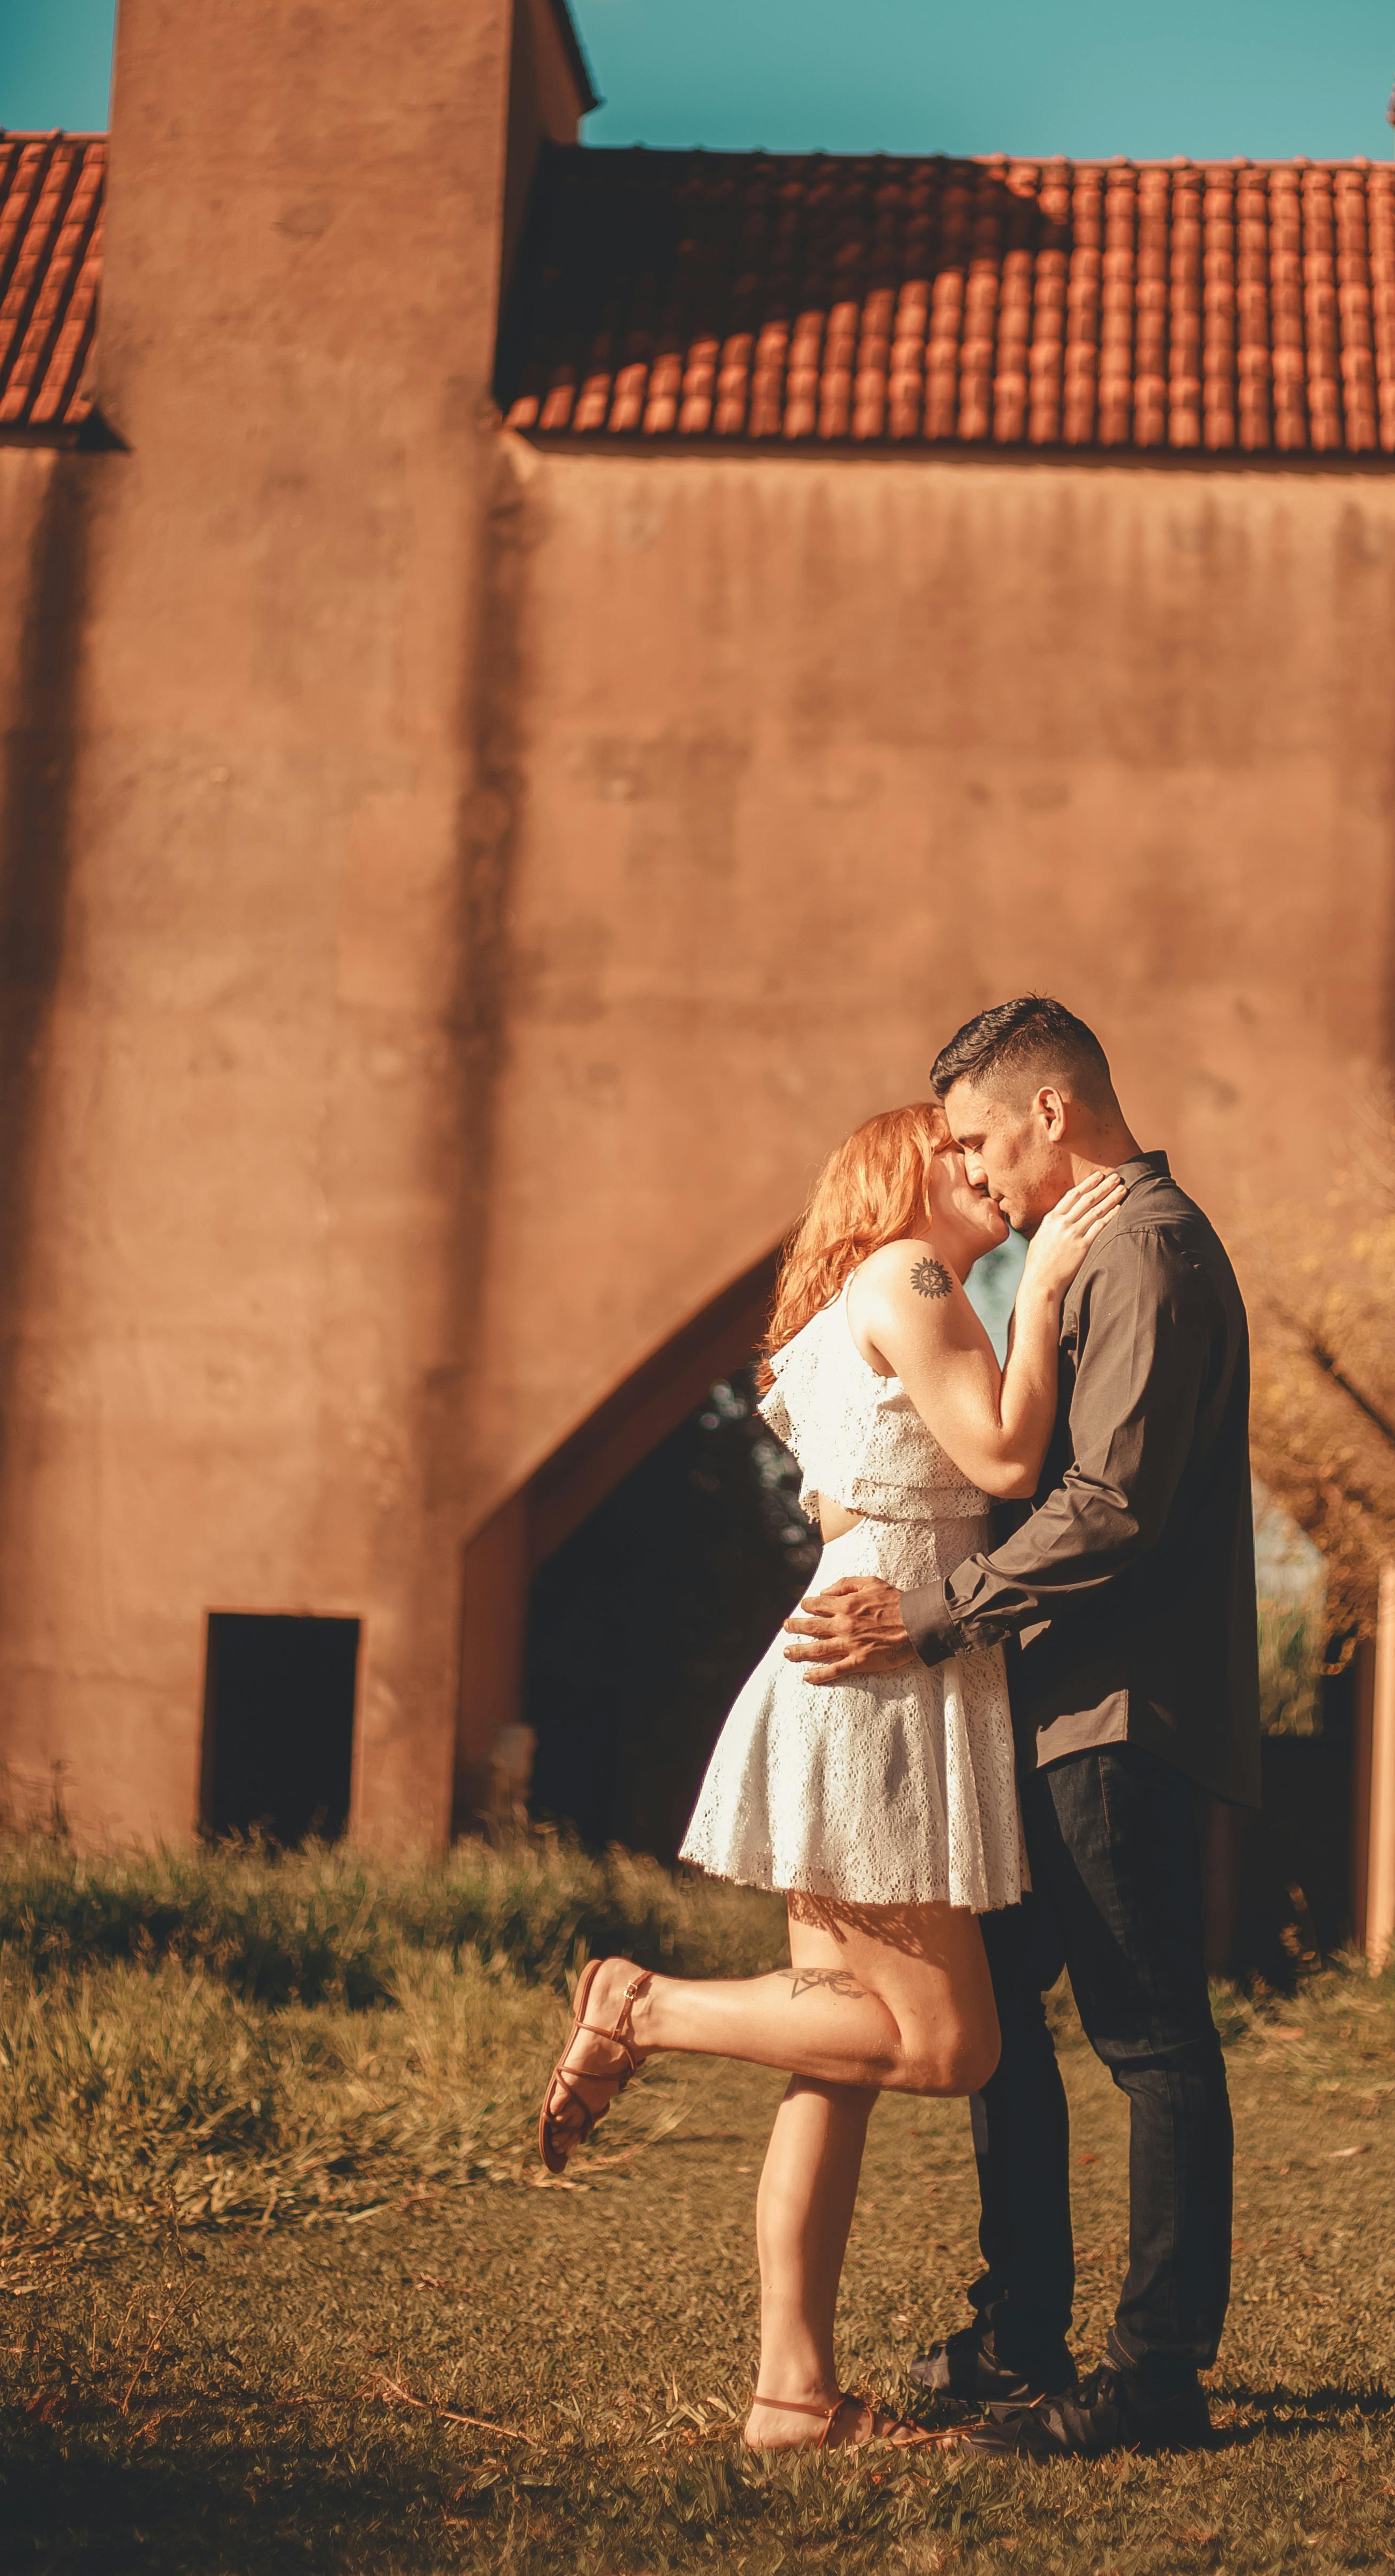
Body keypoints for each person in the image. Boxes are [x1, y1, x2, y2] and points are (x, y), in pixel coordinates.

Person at [536, 1098, 1125, 2454]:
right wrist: (1039, 1292)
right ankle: (646, 2007)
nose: (981, 1167)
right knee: (950, 2043)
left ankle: (789, 2397)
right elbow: (1004, 1456)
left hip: (862, 1661)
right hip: (882, 1676)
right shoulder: (914, 1273)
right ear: (897, 1170)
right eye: (956, 1148)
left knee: (839, 2057)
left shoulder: (826, 1323)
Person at [784, 999, 1260, 2459]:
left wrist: (939, 1615)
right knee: (997, 2019)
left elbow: (1110, 1502)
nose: (981, 1172)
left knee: (1151, 2036)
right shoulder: (1091, 1253)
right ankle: (1014, 2333)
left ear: (1051, 1108)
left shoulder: (1145, 1247)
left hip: (1115, 1705)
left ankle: (1155, 2374)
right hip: (1052, 1701)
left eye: (986, 1135)